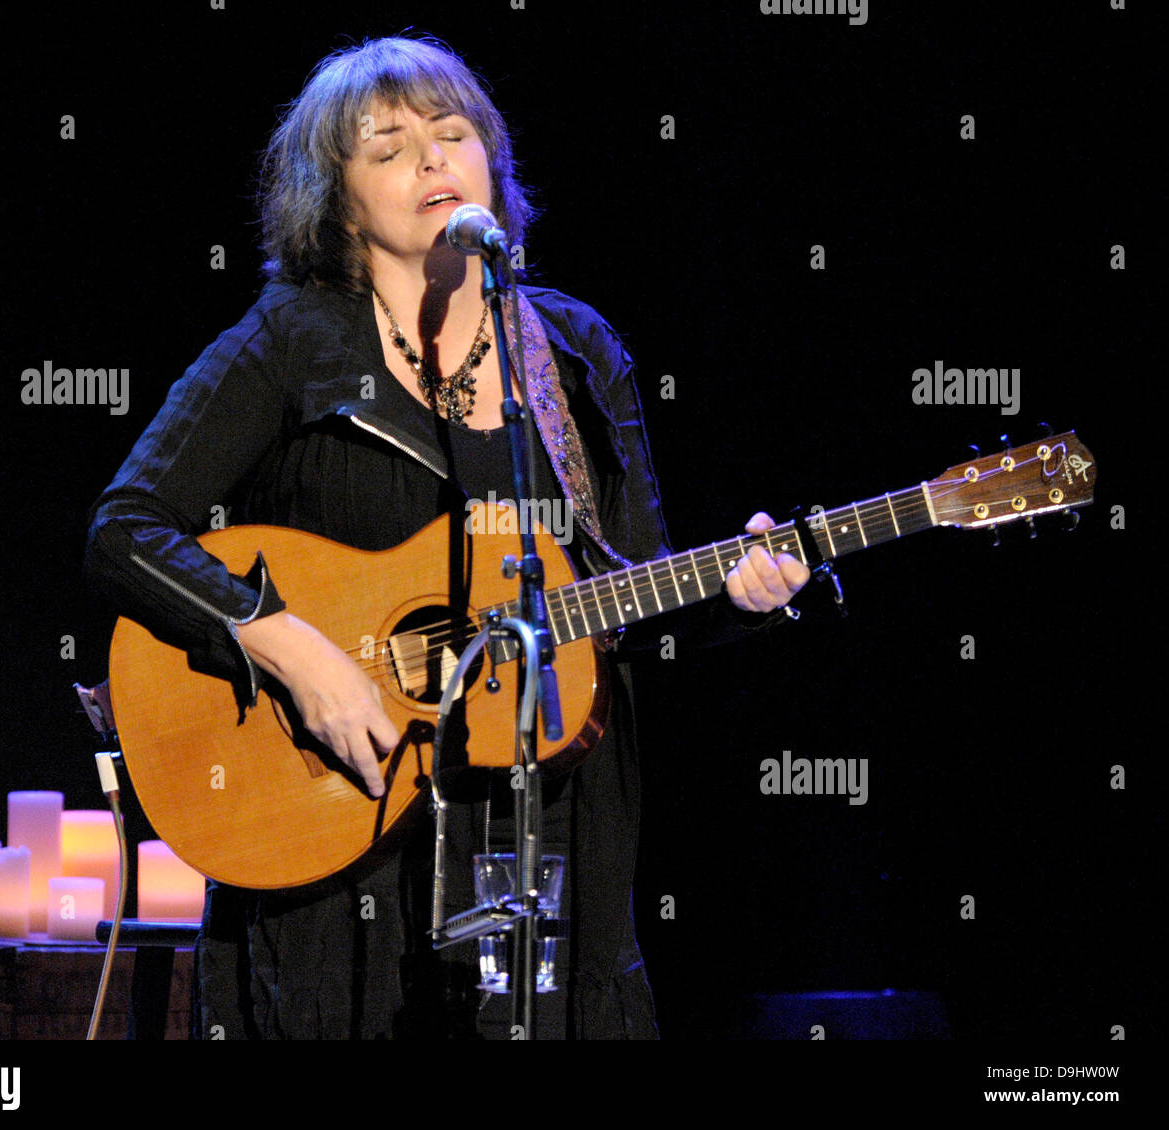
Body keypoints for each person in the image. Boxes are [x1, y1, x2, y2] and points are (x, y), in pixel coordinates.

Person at [83, 34, 808, 1040]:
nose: (430, 159)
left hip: (552, 838)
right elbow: (124, 529)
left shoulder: (578, 354)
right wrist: (290, 645)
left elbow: (633, 601)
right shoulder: (288, 341)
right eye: (387, 146)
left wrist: (739, 598)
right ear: (337, 203)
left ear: (492, 169)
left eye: (453, 133)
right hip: (342, 831)